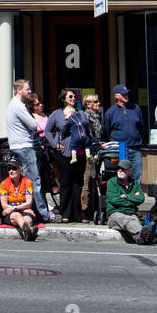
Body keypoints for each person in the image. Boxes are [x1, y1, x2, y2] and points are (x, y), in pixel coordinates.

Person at [6, 79, 50, 221]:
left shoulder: (15, 105)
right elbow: (33, 124)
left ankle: (31, 211)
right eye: (27, 89)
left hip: (18, 145)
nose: (29, 91)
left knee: (26, 181)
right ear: (19, 90)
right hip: (24, 146)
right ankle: (43, 214)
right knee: (34, 181)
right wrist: (32, 123)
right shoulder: (18, 105)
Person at [45, 87, 88, 223]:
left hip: (79, 153)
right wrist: (54, 144)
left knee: (77, 183)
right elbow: (47, 131)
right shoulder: (57, 114)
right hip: (63, 153)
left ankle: (78, 213)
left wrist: (74, 117)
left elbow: (86, 125)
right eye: (70, 97)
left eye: (74, 97)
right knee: (66, 183)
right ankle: (65, 213)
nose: (73, 99)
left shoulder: (80, 113)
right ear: (63, 99)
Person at [102, 84, 146, 184]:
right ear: (116, 96)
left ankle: (135, 197)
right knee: (122, 174)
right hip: (120, 147)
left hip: (135, 146)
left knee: (137, 174)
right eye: (123, 94)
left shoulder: (136, 108)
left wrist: (140, 140)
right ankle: (123, 196)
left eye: (127, 93)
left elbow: (142, 126)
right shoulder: (110, 112)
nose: (126, 95)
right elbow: (107, 130)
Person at [106, 156, 145, 244]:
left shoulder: (134, 183)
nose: (120, 170)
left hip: (131, 214)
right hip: (115, 214)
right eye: (118, 168)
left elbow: (141, 199)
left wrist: (126, 196)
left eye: (123, 169)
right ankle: (143, 234)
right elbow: (115, 200)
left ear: (130, 171)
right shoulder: (112, 182)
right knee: (127, 220)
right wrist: (133, 200)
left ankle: (140, 237)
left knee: (133, 219)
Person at [0, 155, 37, 241]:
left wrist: (15, 208)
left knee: (28, 220)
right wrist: (19, 209)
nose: (11, 171)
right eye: (9, 169)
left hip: (15, 209)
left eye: (14, 168)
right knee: (17, 215)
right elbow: (4, 205)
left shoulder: (27, 182)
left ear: (20, 170)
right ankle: (29, 232)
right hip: (12, 213)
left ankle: (27, 234)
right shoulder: (4, 184)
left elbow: (29, 203)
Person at [80, 93, 104, 222]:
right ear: (88, 105)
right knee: (87, 180)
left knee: (98, 179)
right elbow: (88, 137)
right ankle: (85, 209)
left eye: (98, 101)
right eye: (95, 102)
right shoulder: (85, 118)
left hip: (99, 150)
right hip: (89, 152)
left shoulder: (98, 117)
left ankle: (97, 206)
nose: (98, 104)